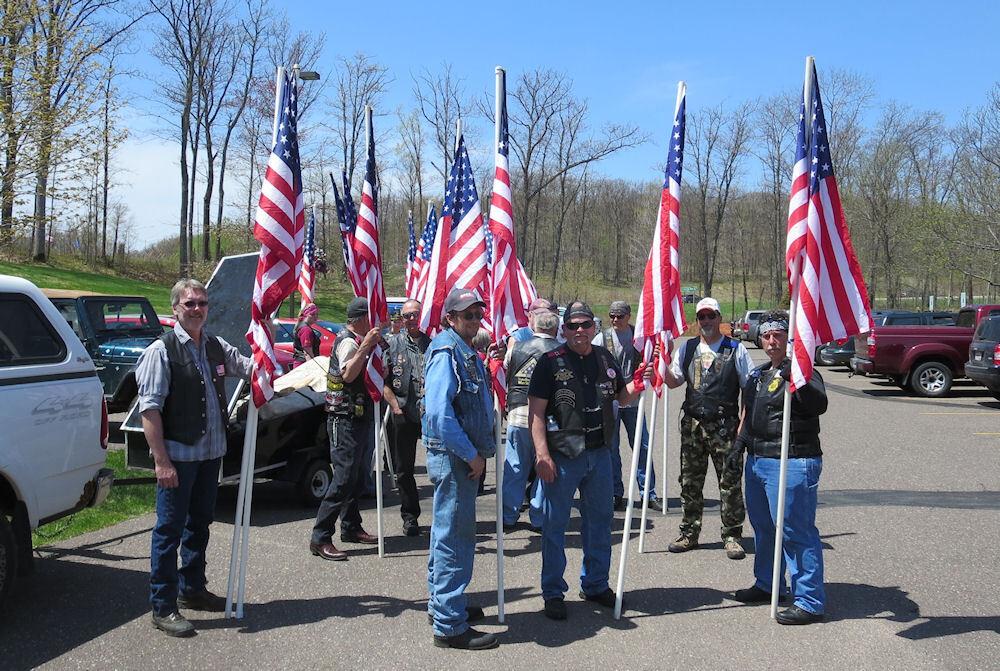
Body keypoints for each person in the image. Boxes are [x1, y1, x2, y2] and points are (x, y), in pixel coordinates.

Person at [135, 278, 253, 638]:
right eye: (190, 304)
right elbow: (150, 411)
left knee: (199, 526)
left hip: (210, 456)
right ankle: (163, 606)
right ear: (175, 309)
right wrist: (161, 461)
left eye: (202, 303)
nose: (198, 309)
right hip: (179, 458)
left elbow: (251, 368)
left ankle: (193, 590)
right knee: (168, 531)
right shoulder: (162, 351)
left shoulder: (215, 346)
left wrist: (276, 361)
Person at [527, 301, 652, 621]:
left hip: (600, 454)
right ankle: (553, 591)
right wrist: (541, 455)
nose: (579, 331)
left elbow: (622, 399)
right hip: (563, 456)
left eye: (585, 325)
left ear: (594, 328)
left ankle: (596, 584)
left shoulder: (605, 358)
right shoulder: (550, 362)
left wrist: (639, 381)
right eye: (573, 326)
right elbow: (536, 414)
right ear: (563, 329)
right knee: (554, 526)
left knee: (599, 524)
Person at [730, 310, 828, 625]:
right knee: (763, 529)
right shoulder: (757, 376)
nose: (772, 341)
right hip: (758, 463)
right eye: (767, 336)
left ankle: (809, 600)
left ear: (789, 339)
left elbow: (818, 404)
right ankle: (768, 583)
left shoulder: (803, 371)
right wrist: (738, 447)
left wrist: (795, 378)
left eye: (778, 335)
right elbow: (748, 416)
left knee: (795, 531)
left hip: (793, 461)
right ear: (759, 339)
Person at [423, 288, 498, 651]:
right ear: (450, 318)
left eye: (476, 313)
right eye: (466, 314)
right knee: (454, 539)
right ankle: (450, 625)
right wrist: (472, 456)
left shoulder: (465, 350)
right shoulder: (446, 351)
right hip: (456, 461)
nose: (474, 319)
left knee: (448, 535)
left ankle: (445, 605)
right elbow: (439, 415)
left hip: (461, 459)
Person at [662, 297, 754, 560]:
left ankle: (733, 536)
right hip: (692, 426)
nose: (706, 321)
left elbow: (749, 391)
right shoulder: (688, 348)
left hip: (725, 427)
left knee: (729, 483)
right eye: (701, 317)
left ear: (719, 318)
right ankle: (689, 532)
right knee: (690, 483)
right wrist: (661, 361)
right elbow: (674, 381)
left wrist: (742, 429)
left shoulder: (736, 349)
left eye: (710, 316)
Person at [309, 296, 383, 562]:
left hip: (358, 416)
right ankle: (320, 537)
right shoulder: (349, 342)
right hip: (343, 418)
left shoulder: (356, 341)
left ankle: (351, 526)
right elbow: (348, 375)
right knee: (342, 478)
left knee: (356, 476)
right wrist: (365, 347)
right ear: (362, 319)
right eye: (370, 318)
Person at [592, 300, 661, 512]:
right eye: (612, 315)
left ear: (628, 316)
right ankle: (615, 493)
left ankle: (648, 493)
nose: (615, 319)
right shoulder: (601, 338)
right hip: (609, 402)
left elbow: (652, 357)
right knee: (611, 448)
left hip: (633, 400)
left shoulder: (639, 338)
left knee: (642, 446)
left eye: (619, 316)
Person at [501, 309, 560, 529]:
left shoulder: (517, 348)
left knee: (515, 466)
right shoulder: (560, 351)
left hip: (518, 414)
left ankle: (508, 514)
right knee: (544, 466)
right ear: (555, 328)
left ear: (534, 327)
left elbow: (506, 371)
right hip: (548, 420)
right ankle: (538, 515)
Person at [383, 299, 431, 537]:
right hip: (403, 412)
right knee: (404, 469)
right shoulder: (392, 344)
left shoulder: (432, 345)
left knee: (439, 467)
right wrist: (394, 405)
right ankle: (410, 516)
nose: (411, 320)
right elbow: (382, 381)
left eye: (415, 315)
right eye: (407, 316)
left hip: (429, 413)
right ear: (401, 318)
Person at [292, 303, 321, 368]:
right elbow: (308, 353)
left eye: (317, 314)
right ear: (307, 315)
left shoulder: (303, 327)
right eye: (312, 314)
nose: (316, 316)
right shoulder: (306, 330)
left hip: (301, 365)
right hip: (303, 366)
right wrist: (312, 368)